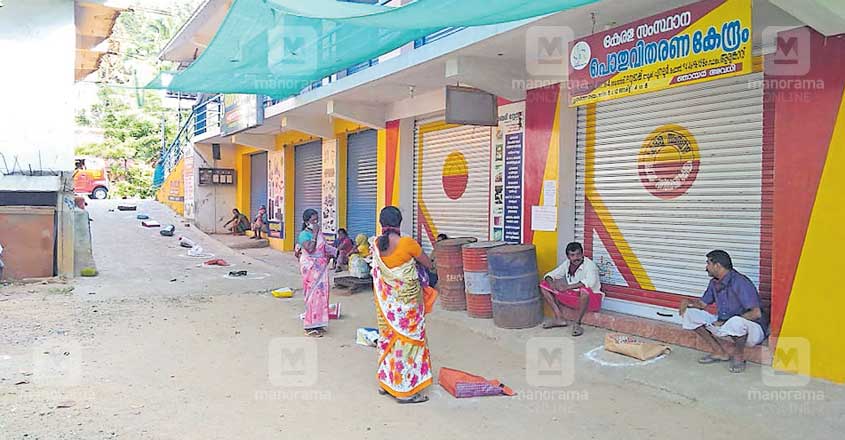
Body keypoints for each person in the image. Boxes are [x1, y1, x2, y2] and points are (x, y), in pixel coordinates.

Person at [371, 206, 435, 404]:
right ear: (399, 222)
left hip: (387, 307)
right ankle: (404, 391)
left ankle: (386, 382)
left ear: (381, 223)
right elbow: (428, 264)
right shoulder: (408, 243)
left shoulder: (376, 244)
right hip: (408, 308)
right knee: (409, 342)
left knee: (389, 338)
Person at [679, 250, 767, 373]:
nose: (706, 268)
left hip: (753, 331)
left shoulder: (740, 282)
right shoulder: (714, 282)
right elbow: (702, 304)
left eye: (708, 263)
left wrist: (727, 322)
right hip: (726, 325)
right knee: (690, 314)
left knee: (736, 322)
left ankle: (739, 356)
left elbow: (756, 313)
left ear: (717, 265)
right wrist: (688, 302)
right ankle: (719, 352)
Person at [540, 242, 603, 337]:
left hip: (591, 301)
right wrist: (552, 284)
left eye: (578, 254)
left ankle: (577, 324)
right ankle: (559, 318)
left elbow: (590, 283)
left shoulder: (590, 265)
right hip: (573, 297)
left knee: (584, 291)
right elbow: (550, 275)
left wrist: (567, 287)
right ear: (568, 257)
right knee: (544, 285)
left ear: (582, 254)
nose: (576, 258)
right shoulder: (567, 264)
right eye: (572, 255)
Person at [297, 209, 336, 338]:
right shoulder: (304, 235)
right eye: (313, 220)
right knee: (312, 296)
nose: (316, 223)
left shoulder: (319, 234)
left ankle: (318, 323)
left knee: (321, 296)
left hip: (321, 268)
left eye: (317, 220)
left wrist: (337, 252)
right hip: (310, 268)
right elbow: (310, 248)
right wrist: (314, 233)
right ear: (306, 222)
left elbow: (324, 247)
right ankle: (309, 326)